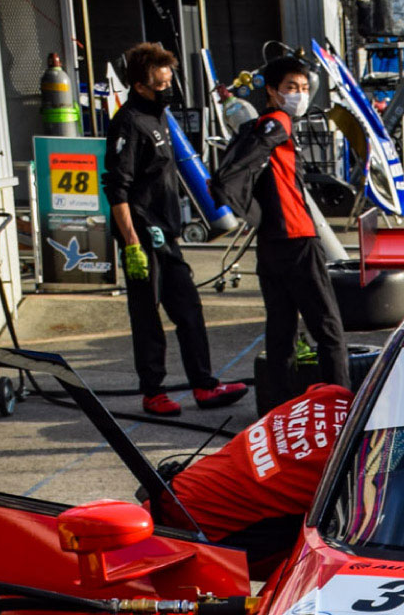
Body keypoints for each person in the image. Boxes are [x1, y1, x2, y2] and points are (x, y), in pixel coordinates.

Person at [105, 42, 250, 420]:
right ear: (140, 85)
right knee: (147, 316)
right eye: (160, 81)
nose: (168, 87)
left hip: (167, 236)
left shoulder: (159, 119)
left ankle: (204, 384)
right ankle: (153, 392)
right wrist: (132, 244)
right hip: (142, 238)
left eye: (170, 79)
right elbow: (116, 189)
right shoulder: (129, 123)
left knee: (189, 310)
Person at [211, 56, 352, 403]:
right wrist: (232, 193)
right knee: (329, 331)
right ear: (272, 91)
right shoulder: (277, 123)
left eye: (304, 89)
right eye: (291, 88)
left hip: (272, 242)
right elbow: (239, 166)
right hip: (297, 240)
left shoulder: (261, 124)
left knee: (281, 333)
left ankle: (278, 409)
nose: (299, 95)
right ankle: (344, 408)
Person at [167, 382, 351, 574]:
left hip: (175, 492)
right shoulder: (346, 468)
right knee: (336, 534)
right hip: (196, 537)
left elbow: (318, 387)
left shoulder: (331, 395)